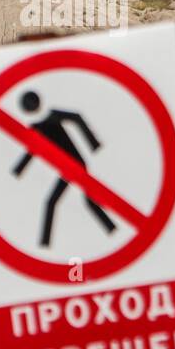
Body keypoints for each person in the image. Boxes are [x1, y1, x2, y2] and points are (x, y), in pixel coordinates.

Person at [11, 90, 117, 247]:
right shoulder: (37, 128)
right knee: (74, 201)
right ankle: (112, 229)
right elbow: (33, 150)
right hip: (69, 167)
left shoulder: (51, 118)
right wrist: (19, 169)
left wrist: (93, 144)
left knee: (56, 202)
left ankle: (45, 243)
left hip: (75, 166)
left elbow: (76, 117)